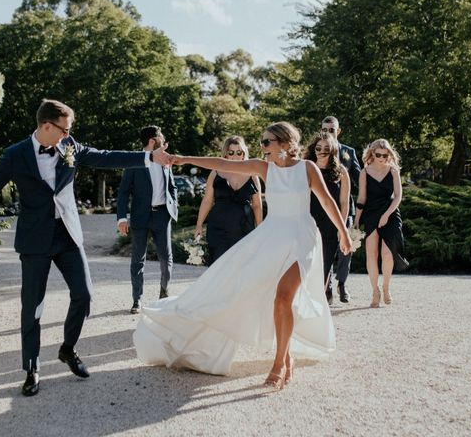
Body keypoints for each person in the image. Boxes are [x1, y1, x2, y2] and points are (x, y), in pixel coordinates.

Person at [0, 99, 173, 397]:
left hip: (67, 234)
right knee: (33, 306)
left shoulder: (70, 146)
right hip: (35, 239)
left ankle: (68, 349)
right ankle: (31, 368)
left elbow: (105, 157)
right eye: (64, 128)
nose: (68, 134)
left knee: (84, 295)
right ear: (46, 126)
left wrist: (149, 158)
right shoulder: (15, 155)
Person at [133, 122, 353, 390]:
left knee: (284, 296)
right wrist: (183, 159)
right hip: (273, 237)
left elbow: (328, 201)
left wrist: (343, 233)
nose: (262, 147)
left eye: (266, 142)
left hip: (302, 237)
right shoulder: (264, 168)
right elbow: (222, 164)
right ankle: (287, 356)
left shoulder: (307, 168)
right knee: (251, 291)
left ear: (284, 142)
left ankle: (278, 363)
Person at [117, 126, 179, 314]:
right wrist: (121, 218)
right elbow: (123, 192)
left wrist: (173, 207)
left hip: (162, 215)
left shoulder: (165, 159)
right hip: (140, 217)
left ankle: (164, 293)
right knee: (138, 260)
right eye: (161, 136)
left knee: (165, 257)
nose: (164, 139)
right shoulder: (134, 162)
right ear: (153, 140)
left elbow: (172, 186)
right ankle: (137, 300)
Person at [193, 136, 263, 265]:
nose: (235, 156)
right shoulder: (216, 172)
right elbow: (207, 200)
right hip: (218, 228)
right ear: (225, 154)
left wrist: (260, 228)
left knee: (242, 266)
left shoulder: (253, 174)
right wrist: (199, 225)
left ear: (243, 153)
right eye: (231, 152)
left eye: (239, 152)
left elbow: (257, 205)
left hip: (243, 228)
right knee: (218, 265)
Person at [355, 138, 404, 308]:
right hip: (371, 214)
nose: (382, 158)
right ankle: (375, 291)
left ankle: (386, 287)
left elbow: (398, 197)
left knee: (387, 253)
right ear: (372, 153)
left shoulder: (393, 171)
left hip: (390, 212)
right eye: (378, 154)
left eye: (385, 154)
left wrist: (387, 215)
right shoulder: (364, 172)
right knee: (371, 253)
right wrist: (356, 221)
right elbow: (361, 199)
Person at [304, 133, 351, 303]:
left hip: (330, 225)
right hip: (307, 222)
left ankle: (318, 304)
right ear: (313, 149)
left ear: (332, 151)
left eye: (326, 148)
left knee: (324, 266)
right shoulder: (305, 168)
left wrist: (342, 227)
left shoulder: (341, 172)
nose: (321, 152)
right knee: (306, 265)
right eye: (318, 148)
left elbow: (344, 202)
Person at [320, 116, 361, 302]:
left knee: (347, 248)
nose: (329, 132)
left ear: (339, 130)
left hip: (346, 207)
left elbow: (360, 180)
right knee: (324, 249)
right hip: (322, 209)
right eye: (325, 129)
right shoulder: (317, 151)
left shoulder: (348, 152)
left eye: (332, 129)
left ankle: (342, 284)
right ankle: (326, 287)